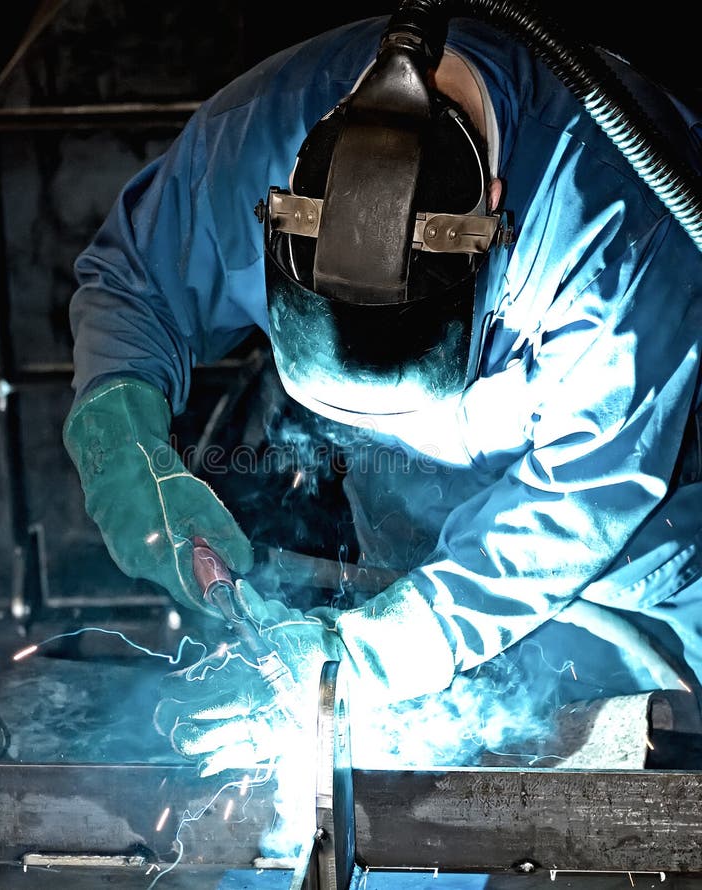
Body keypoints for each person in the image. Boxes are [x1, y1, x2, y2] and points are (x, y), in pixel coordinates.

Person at [62, 2, 702, 772]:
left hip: (644, 529)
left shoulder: (615, 219)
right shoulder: (249, 147)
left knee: (656, 761)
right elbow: (135, 287)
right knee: (436, 764)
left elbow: (587, 493)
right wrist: (125, 449)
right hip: (409, 515)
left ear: (492, 215)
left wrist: (380, 652)